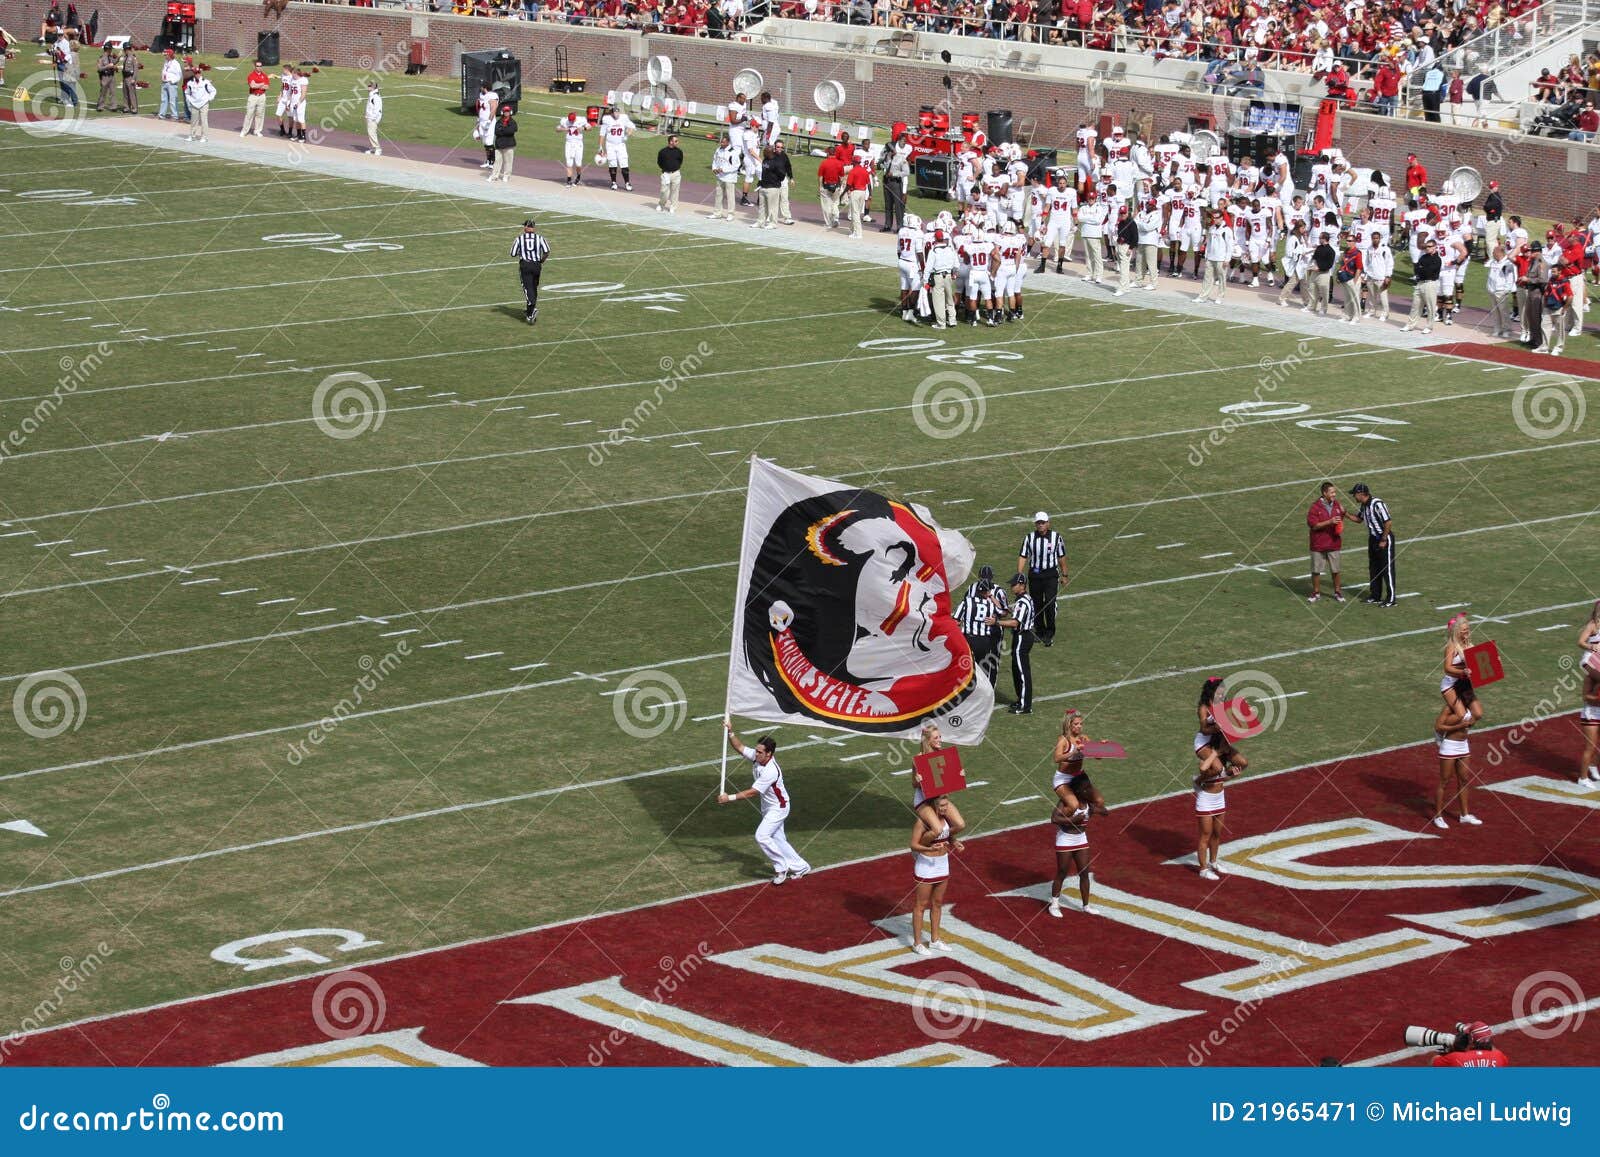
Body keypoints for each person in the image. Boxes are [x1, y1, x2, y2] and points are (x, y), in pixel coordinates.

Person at [720, 724, 811, 886]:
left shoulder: (771, 771)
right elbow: (739, 747)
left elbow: (752, 792)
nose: (756, 753)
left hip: (779, 808)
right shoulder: (758, 757)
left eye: (760, 752)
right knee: (779, 839)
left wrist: (729, 798)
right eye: (756, 750)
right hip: (768, 807)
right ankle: (801, 866)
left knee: (761, 836)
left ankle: (781, 868)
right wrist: (730, 731)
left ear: (769, 754)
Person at [1193, 676, 1245, 881]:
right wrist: (1220, 724)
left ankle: (1214, 862)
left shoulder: (1224, 706)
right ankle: (1203, 869)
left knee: (1242, 762)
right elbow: (1205, 729)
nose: (1223, 694)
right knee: (1215, 767)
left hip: (1219, 744)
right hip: (1205, 743)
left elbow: (1238, 720)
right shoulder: (1204, 707)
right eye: (1220, 691)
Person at [909, 796, 958, 954]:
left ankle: (935, 939)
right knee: (921, 905)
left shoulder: (946, 821)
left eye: (946, 805)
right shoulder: (922, 822)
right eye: (942, 806)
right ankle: (917, 943)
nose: (945, 808)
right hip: (926, 866)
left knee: (937, 903)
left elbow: (946, 835)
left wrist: (955, 842)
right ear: (934, 806)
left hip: (942, 864)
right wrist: (929, 849)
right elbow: (913, 844)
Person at [1017, 512, 1067, 647]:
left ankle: (1049, 634)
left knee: (1049, 603)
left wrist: (1065, 574)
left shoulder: (1056, 537)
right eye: (1038, 523)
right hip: (1035, 575)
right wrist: (1019, 575)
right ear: (1035, 524)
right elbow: (1023, 556)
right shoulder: (1029, 538)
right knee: (1036, 604)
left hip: (1051, 575)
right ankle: (1040, 631)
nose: (1040, 525)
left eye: (1043, 522)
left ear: (1048, 523)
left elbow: (1061, 556)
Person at [1433, 691, 1482, 829]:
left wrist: (1470, 723)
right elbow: (1438, 726)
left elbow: (1468, 725)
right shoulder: (1449, 707)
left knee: (1464, 780)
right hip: (1449, 746)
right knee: (1444, 781)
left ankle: (1464, 815)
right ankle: (1438, 816)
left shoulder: (1470, 708)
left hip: (1463, 746)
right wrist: (1458, 726)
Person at [912, 722, 966, 840]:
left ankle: (943, 838)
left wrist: (959, 775)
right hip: (923, 800)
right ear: (928, 740)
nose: (940, 740)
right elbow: (914, 784)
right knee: (937, 830)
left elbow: (948, 778)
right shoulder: (919, 758)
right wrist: (918, 780)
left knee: (960, 825)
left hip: (939, 798)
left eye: (940, 737)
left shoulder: (943, 755)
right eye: (936, 738)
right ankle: (921, 846)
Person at [1052, 708, 1109, 816]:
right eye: (1076, 724)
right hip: (1063, 779)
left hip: (1079, 777)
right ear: (1069, 725)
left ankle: (1081, 817)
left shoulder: (1084, 738)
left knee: (1099, 802)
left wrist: (1102, 747)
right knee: (1073, 806)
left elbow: (1097, 757)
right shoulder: (1063, 740)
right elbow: (1056, 758)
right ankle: (1059, 820)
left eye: (1081, 724)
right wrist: (1073, 752)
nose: (1079, 726)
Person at [955, 565, 1005, 687]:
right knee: (985, 668)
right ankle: (986, 693)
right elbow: (1002, 611)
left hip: (969, 638)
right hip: (985, 640)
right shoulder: (991, 604)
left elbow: (956, 619)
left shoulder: (968, 600)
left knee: (966, 668)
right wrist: (991, 597)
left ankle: (965, 694)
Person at [1347, 483, 1395, 606]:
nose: (1354, 497)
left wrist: (1383, 539)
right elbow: (1359, 519)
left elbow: (1388, 522)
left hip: (1384, 538)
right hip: (1373, 539)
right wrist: (1345, 514)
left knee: (1387, 569)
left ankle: (1391, 599)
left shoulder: (1377, 504)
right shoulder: (1364, 505)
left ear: (1361, 494)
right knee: (1374, 568)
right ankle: (1375, 595)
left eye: (1355, 494)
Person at [998, 572, 1036, 715]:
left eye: (1014, 584)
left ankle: (1025, 705)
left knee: (1022, 671)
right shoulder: (1024, 599)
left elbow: (1015, 622)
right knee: (1017, 668)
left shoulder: (1022, 602)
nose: (1012, 587)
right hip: (1023, 636)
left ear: (1022, 585)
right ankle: (1021, 699)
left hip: (1023, 637)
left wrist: (997, 623)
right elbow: (1011, 612)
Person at [1046, 801, 1093, 918]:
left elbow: (1102, 811)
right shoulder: (1065, 801)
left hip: (1081, 839)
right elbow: (1054, 818)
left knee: (1084, 872)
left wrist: (1101, 810)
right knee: (1062, 872)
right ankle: (1054, 905)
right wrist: (1073, 820)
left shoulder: (1089, 803)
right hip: (1065, 839)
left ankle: (1086, 906)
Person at [1440, 613, 1484, 728]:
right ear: (1457, 631)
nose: (1467, 631)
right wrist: (1462, 672)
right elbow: (1447, 668)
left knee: (1477, 714)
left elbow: (1478, 663)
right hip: (1451, 685)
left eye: (1468, 629)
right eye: (1464, 630)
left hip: (1464, 684)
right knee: (1461, 716)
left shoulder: (1469, 645)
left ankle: (1455, 732)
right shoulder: (1452, 646)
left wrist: (1493, 660)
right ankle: (1440, 729)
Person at [1306, 482, 1345, 602]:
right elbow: (1314, 526)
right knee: (1316, 570)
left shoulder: (1337, 505)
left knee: (1336, 570)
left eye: (1335, 492)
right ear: (1324, 493)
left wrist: (1340, 520)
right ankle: (1316, 592)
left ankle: (1337, 592)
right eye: (1332, 492)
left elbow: (1340, 517)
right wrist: (1330, 522)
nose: (1334, 494)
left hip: (1334, 543)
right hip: (1318, 544)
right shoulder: (1315, 507)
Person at [508, 218, 549, 325]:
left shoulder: (519, 239)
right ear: (534, 228)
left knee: (527, 287)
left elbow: (512, 253)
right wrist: (542, 260)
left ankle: (531, 309)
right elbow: (546, 251)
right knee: (534, 286)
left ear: (526, 227)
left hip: (525, 265)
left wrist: (523, 252)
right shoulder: (540, 238)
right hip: (536, 265)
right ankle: (530, 310)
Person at [1578, 602, 1600, 784]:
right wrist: (1592, 648)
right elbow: (1580, 642)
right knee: (1590, 745)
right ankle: (1583, 778)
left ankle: (1593, 767)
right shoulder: (1593, 624)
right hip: (1589, 660)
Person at [1403, 235, 1441, 333]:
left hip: (1430, 283)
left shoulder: (1437, 259)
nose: (1427, 248)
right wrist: (1422, 269)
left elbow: (1429, 272)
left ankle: (1429, 327)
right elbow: (1417, 269)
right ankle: (1410, 325)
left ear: (1434, 247)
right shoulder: (1423, 257)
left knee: (1430, 307)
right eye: (1426, 246)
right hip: (1420, 283)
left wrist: (1422, 269)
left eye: (1429, 246)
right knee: (1415, 306)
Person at [1430, 1022, 1509, 1067]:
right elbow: (1493, 1050)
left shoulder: (1456, 1057)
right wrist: (1483, 1037)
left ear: (1471, 1040)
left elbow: (1433, 1063)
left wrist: (1453, 1048)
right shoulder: (1499, 1057)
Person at [925, 227, 959, 329]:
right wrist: (954, 273)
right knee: (949, 299)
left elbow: (928, 267)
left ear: (935, 239)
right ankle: (952, 320)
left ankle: (941, 323)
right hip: (948, 275)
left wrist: (925, 281)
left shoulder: (934, 251)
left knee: (938, 301)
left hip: (938, 276)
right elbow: (956, 264)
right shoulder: (950, 249)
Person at [599, 103, 635, 190]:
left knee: (624, 163)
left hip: (620, 145)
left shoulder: (624, 118)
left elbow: (632, 127)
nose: (616, 114)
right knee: (612, 163)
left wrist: (627, 135)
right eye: (615, 112)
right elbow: (602, 134)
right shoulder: (606, 119)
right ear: (611, 113)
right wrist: (600, 146)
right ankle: (613, 182)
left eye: (618, 112)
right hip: (610, 145)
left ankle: (627, 183)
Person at [1484, 242, 1516, 339]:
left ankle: (1506, 329)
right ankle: (1497, 328)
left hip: (1501, 290)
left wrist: (1507, 289)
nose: (1493, 253)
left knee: (1503, 311)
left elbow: (1510, 278)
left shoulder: (1507, 263)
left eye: (1494, 252)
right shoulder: (1493, 262)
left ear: (1500, 252)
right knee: (1495, 311)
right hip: (1492, 290)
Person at [1363, 227, 1394, 322]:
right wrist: (1366, 273)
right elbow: (1367, 262)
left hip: (1381, 277)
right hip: (1371, 276)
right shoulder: (1369, 249)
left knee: (1383, 296)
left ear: (1379, 239)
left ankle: (1385, 313)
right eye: (1374, 238)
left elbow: (1389, 262)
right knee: (1372, 296)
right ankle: (1372, 311)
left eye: (1377, 238)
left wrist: (1388, 276)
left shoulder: (1385, 249)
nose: (1375, 239)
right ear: (1371, 238)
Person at [710, 134, 740, 220]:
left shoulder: (733, 152)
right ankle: (717, 213)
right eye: (721, 142)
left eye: (723, 142)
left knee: (730, 196)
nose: (721, 144)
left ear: (728, 142)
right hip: (720, 177)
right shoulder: (718, 150)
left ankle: (730, 214)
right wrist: (714, 168)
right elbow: (715, 160)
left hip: (729, 178)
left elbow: (736, 165)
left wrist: (723, 169)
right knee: (718, 195)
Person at [183, 68, 215, 142]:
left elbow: (213, 91)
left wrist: (209, 98)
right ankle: (192, 136)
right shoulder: (190, 83)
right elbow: (187, 92)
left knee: (204, 121)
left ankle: (204, 137)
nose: (197, 74)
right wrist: (190, 100)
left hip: (204, 104)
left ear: (201, 73)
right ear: (194, 74)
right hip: (194, 104)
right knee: (193, 121)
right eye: (196, 73)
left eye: (198, 73)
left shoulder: (205, 82)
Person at [487, 103, 516, 183]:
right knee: (497, 161)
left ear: (510, 112)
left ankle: (506, 176)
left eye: (508, 111)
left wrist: (502, 129)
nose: (506, 113)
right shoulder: (499, 122)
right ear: (502, 112)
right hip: (499, 145)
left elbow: (511, 131)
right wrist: (505, 130)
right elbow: (497, 132)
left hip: (509, 145)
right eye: (505, 111)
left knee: (508, 162)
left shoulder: (513, 122)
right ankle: (494, 176)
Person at [557, 109, 587, 185]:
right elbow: (557, 129)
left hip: (578, 143)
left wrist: (583, 128)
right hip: (569, 143)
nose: (571, 122)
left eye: (573, 120)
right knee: (569, 163)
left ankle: (578, 176)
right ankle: (569, 179)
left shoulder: (581, 120)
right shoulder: (565, 121)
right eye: (570, 120)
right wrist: (564, 129)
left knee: (578, 164)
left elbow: (590, 127)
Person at [816, 148, 844, 230]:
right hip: (836, 186)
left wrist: (820, 187)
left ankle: (829, 223)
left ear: (828, 153)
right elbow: (841, 177)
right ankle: (835, 218)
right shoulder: (839, 163)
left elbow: (820, 177)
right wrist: (840, 186)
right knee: (835, 203)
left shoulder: (824, 163)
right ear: (835, 153)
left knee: (826, 205)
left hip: (826, 186)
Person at [473, 82, 499, 169]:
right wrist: (476, 127)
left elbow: (493, 109)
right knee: (484, 142)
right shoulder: (481, 95)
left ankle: (493, 162)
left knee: (489, 141)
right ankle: (488, 160)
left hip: (489, 122)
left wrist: (489, 121)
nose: (480, 89)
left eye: (481, 87)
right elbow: (480, 111)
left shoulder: (492, 95)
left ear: (485, 87)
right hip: (481, 121)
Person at [655, 133, 682, 213]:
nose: (677, 142)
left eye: (677, 141)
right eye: (675, 141)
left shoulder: (679, 151)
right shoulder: (662, 152)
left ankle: (673, 207)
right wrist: (665, 169)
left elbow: (680, 161)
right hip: (666, 174)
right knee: (664, 191)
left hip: (676, 174)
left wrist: (675, 168)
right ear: (670, 142)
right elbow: (659, 162)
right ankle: (661, 204)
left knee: (675, 191)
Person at [844, 157, 871, 238]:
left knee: (855, 213)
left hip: (855, 192)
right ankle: (853, 229)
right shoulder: (865, 171)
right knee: (857, 212)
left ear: (854, 162)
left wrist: (843, 194)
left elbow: (848, 185)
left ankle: (857, 233)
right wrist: (870, 194)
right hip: (863, 193)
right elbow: (869, 184)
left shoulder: (852, 171)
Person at [241, 59, 268, 137]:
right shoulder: (251, 75)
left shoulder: (264, 75)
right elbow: (252, 86)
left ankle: (257, 130)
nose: (259, 67)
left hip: (262, 96)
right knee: (249, 114)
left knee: (260, 114)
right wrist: (261, 84)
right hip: (253, 96)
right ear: (255, 66)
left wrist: (257, 84)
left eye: (260, 66)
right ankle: (244, 131)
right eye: (257, 66)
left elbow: (267, 86)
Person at [93, 43, 116, 111]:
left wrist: (118, 58)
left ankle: (113, 106)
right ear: (108, 49)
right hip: (104, 77)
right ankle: (100, 106)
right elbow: (99, 69)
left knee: (112, 92)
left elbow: (113, 63)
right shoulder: (101, 58)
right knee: (103, 92)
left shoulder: (110, 57)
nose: (111, 51)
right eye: (111, 49)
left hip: (111, 76)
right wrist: (107, 66)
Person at [363, 80, 382, 156]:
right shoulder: (372, 95)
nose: (368, 87)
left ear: (373, 87)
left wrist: (373, 118)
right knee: (371, 132)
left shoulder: (375, 96)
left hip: (373, 118)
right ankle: (373, 148)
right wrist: (367, 115)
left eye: (369, 86)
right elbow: (370, 107)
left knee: (372, 133)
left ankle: (378, 148)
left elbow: (377, 109)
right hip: (370, 117)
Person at [120, 44, 140, 115]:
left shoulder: (133, 57)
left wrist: (134, 78)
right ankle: (126, 107)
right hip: (125, 77)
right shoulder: (125, 57)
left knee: (132, 93)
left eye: (124, 49)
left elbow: (136, 69)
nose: (124, 51)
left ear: (127, 49)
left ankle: (134, 108)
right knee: (125, 93)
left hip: (130, 77)